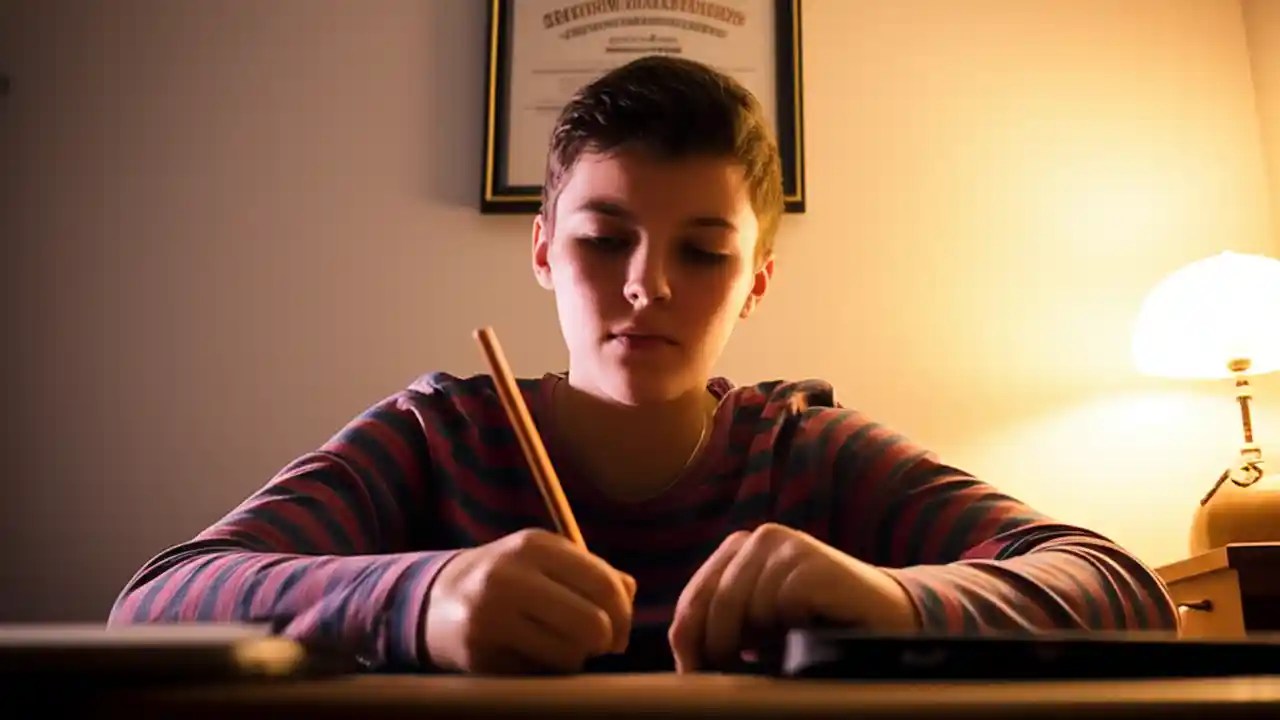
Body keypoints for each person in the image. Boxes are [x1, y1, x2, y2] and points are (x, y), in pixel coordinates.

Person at [108, 55, 1178, 675]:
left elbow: (1122, 590)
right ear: (539, 248)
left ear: (757, 278)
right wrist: (420, 599)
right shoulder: (436, 436)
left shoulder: (807, 449)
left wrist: (890, 602)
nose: (644, 286)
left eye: (704, 252)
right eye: (601, 237)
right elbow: (154, 605)